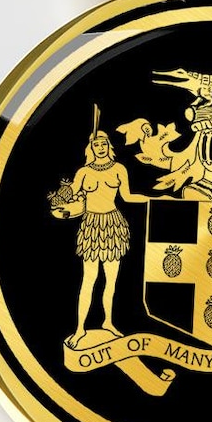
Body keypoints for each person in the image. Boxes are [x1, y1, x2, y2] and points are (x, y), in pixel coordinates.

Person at [59, 110, 147, 348]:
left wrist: (153, 199)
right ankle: (80, 329)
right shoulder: (83, 172)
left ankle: (108, 321)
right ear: (91, 148)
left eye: (103, 143)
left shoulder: (119, 169)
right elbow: (73, 196)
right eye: (96, 144)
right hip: (91, 226)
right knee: (89, 279)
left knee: (111, 280)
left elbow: (127, 197)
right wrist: (61, 204)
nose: (100, 147)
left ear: (109, 146)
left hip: (113, 225)